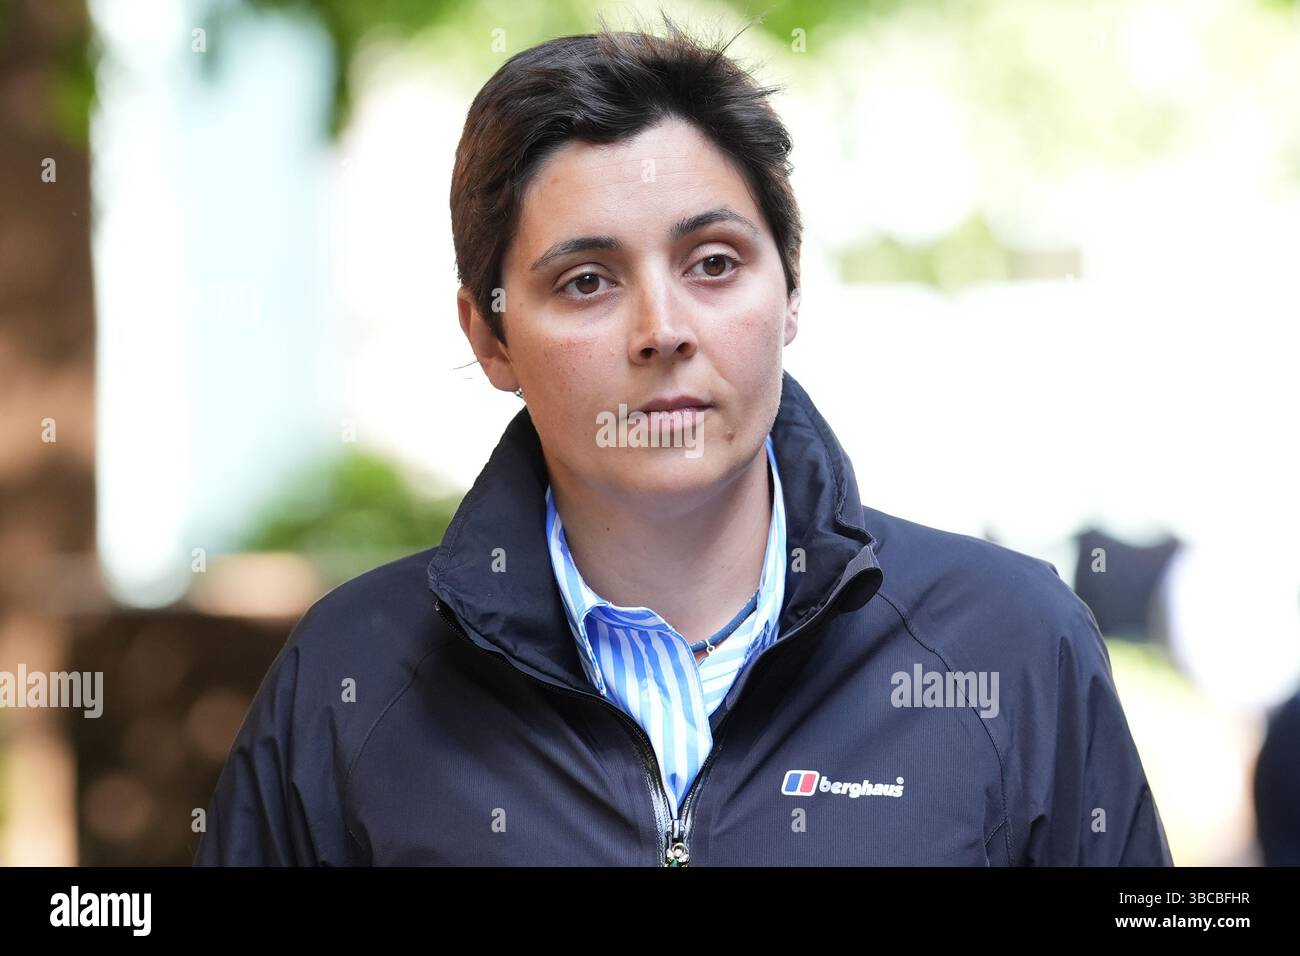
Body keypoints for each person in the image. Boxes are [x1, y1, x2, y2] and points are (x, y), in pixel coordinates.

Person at [194, 15, 1173, 866]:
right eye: (586, 279)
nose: (661, 327)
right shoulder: (352, 677)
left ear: (788, 289)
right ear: (489, 336)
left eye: (713, 261)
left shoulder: (1010, 646)